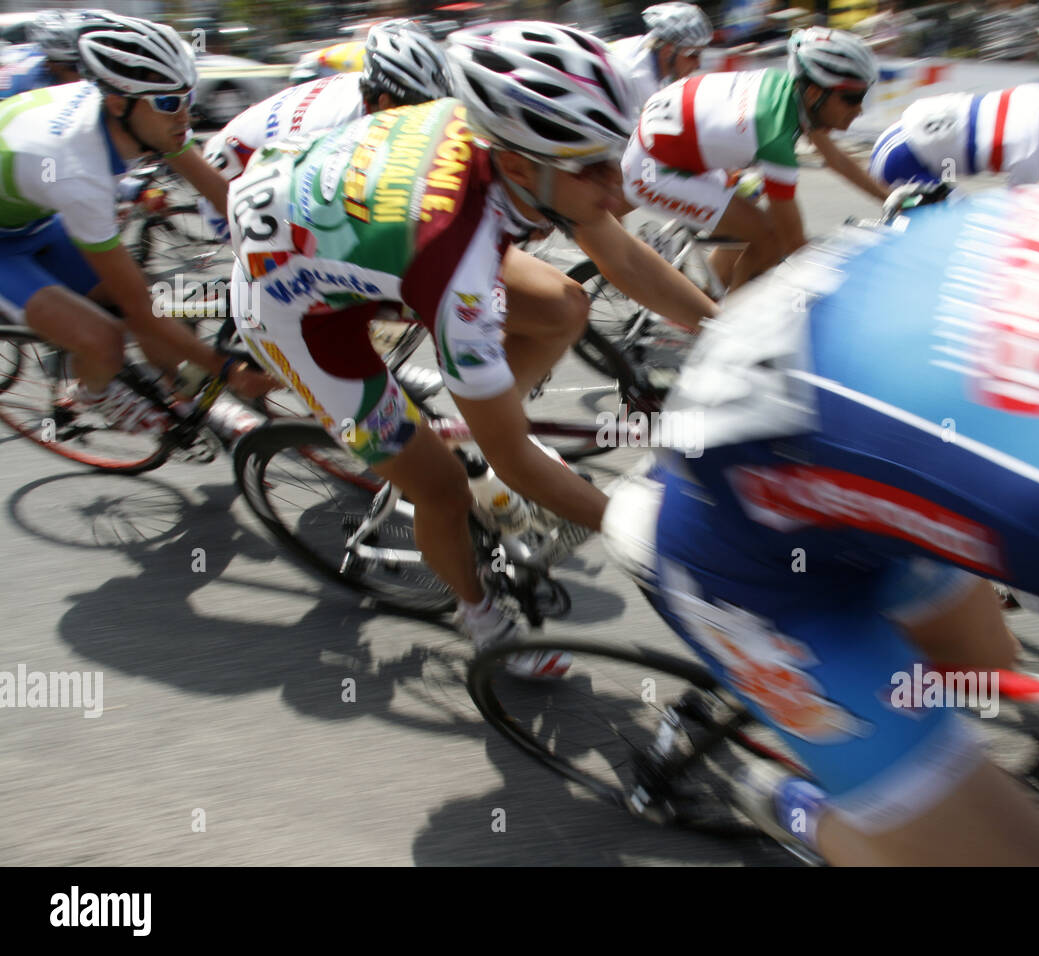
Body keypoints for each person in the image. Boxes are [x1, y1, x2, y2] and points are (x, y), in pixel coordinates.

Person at [601, 146, 1039, 865]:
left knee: (986, 662)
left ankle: (912, 772)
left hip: (840, 367)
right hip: (738, 537)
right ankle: (793, 804)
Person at [225, 21, 716, 676]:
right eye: (594, 167)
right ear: (516, 163)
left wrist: (724, 330)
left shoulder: (506, 137)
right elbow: (514, 461)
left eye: (614, 154)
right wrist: (652, 538)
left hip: (367, 236)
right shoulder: (457, 268)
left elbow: (619, 252)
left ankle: (473, 410)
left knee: (566, 305)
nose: (618, 185)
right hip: (294, 313)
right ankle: (480, 616)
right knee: (444, 488)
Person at [0, 13, 271, 435]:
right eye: (168, 102)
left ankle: (179, 395)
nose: (186, 114)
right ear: (118, 103)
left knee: (150, 298)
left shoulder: (139, 115)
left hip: (30, 215)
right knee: (105, 337)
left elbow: (221, 194)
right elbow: (140, 312)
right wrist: (227, 370)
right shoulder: (77, 170)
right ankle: (90, 395)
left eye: (188, 95)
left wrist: (285, 239)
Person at [622, 27, 889, 292]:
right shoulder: (774, 135)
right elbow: (794, 242)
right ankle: (727, 329)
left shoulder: (795, 94)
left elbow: (837, 159)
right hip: (654, 170)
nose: (859, 109)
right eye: (852, 98)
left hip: (678, 142)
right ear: (815, 94)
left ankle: (704, 304)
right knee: (770, 239)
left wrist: (892, 199)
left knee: (751, 206)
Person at [200, 18, 453, 238]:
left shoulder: (375, 96)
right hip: (230, 184)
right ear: (386, 102)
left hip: (271, 159)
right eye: (423, 112)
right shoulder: (342, 129)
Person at [869, 56, 1039, 191]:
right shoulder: (1028, 145)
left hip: (906, 140)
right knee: (959, 228)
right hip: (901, 160)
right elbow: (1020, 218)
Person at [608, 2, 713, 111]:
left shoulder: (643, 45)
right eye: (693, 56)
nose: (698, 64)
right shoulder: (641, 84)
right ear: (667, 50)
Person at [0, 9, 106, 101]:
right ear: (53, 65)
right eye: (87, 70)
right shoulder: (32, 87)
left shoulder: (47, 59)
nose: (92, 78)